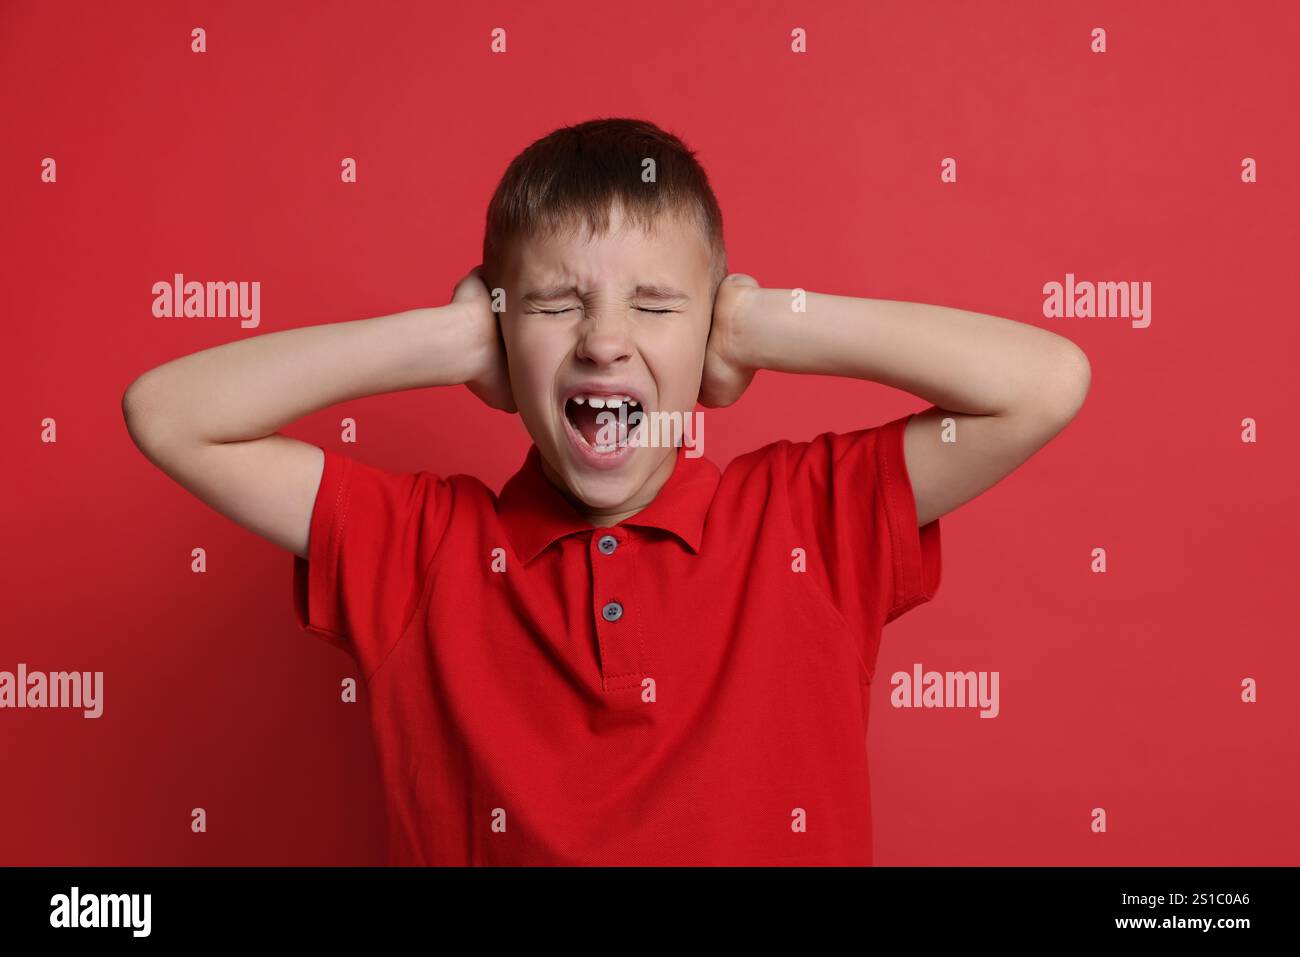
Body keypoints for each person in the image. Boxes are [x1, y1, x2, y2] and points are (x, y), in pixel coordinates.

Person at [122, 117, 1090, 865]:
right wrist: (449, 340)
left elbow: (1044, 384)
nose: (602, 339)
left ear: (707, 336)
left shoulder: (806, 522)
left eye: (657, 304)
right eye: (553, 304)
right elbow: (167, 412)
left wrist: (763, 320)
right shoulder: (420, 549)